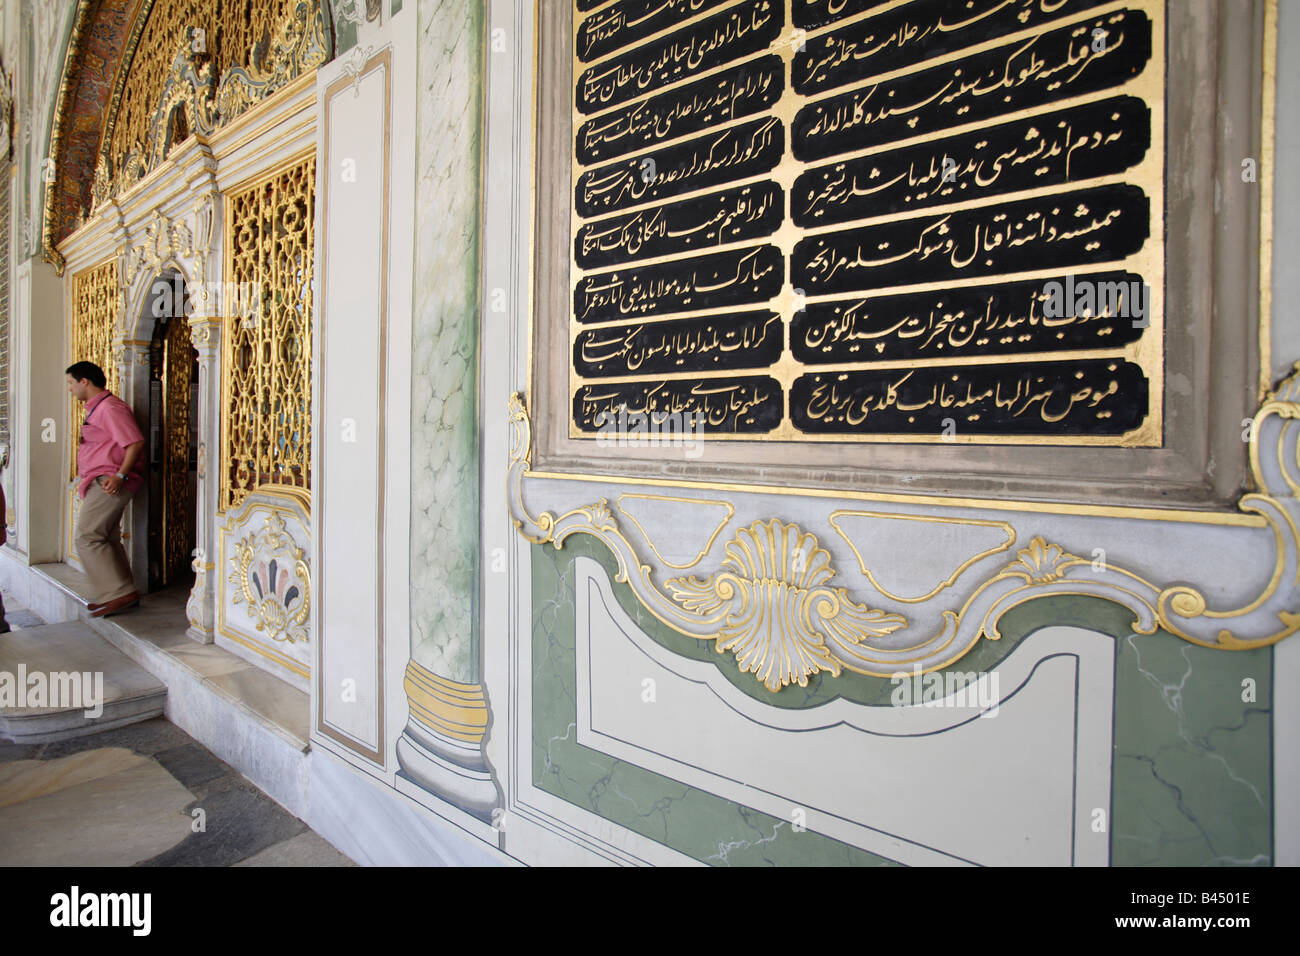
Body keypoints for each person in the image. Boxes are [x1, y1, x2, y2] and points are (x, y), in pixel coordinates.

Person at [66, 361, 144, 617]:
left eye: (71, 383)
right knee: (107, 537)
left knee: (86, 537)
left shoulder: (109, 408)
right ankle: (122, 593)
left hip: (110, 481)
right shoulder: (97, 409)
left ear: (84, 381)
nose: (70, 389)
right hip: (102, 480)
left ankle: (118, 593)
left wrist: (120, 475)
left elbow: (134, 442)